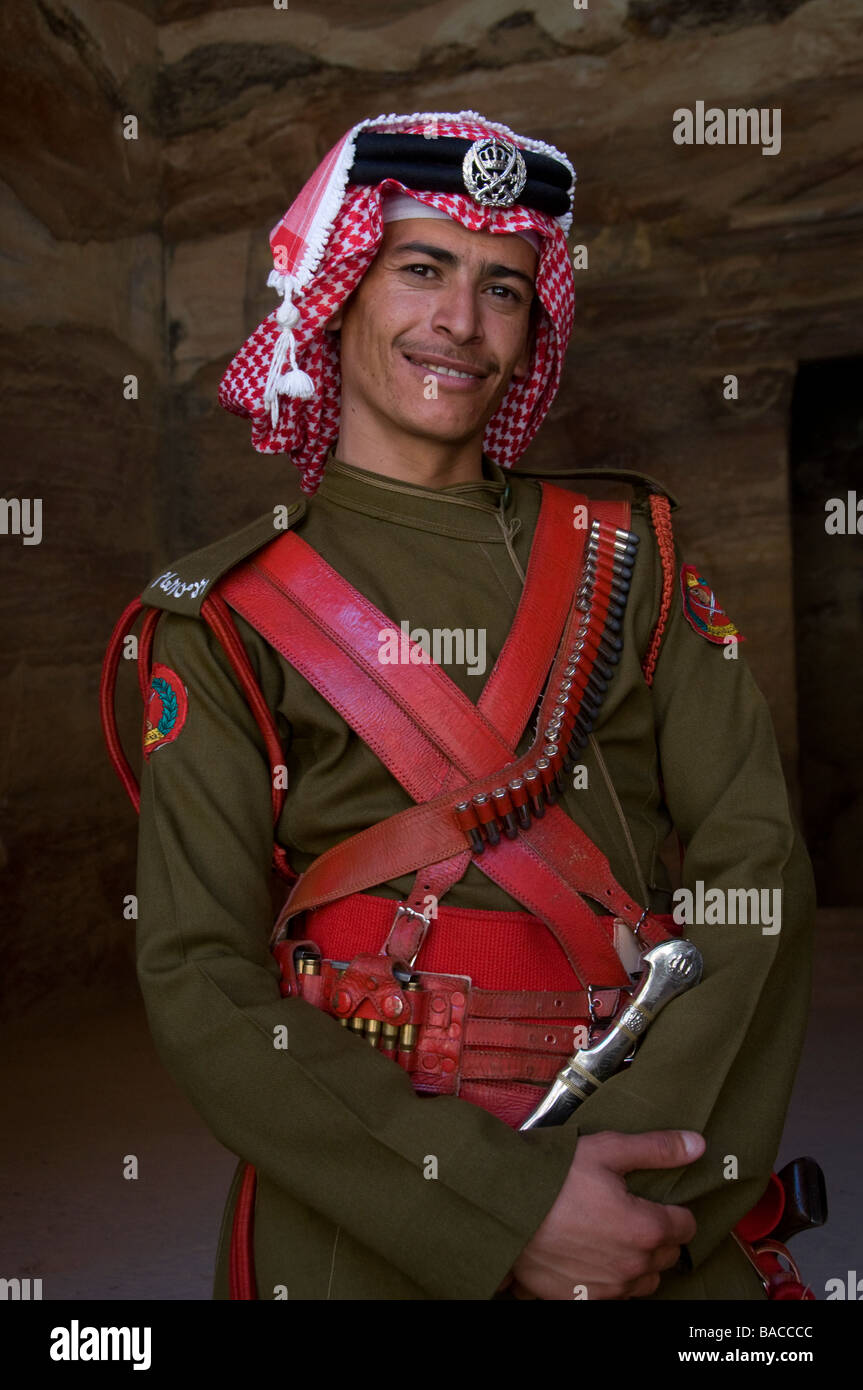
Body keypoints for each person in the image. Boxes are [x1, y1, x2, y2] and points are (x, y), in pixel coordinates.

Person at [127, 110, 814, 1301]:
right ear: (337, 291)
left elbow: (755, 863)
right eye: (420, 268)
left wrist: (628, 1196)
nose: (459, 322)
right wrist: (498, 1209)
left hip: (647, 1168)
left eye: (504, 287)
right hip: (380, 1200)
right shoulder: (221, 612)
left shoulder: (628, 549)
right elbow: (197, 973)